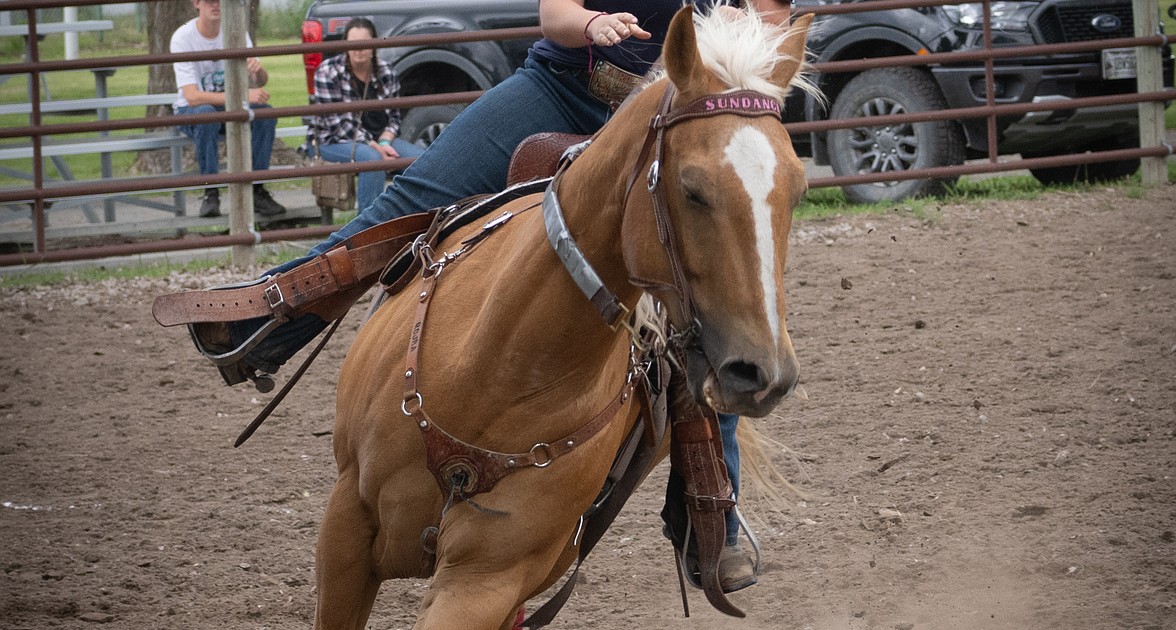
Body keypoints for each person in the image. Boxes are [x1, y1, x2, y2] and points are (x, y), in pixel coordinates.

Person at [193, 0, 792, 592]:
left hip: (675, 116)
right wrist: (592, 24)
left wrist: (747, 38)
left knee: (712, 304)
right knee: (409, 202)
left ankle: (712, 517)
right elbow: (555, 13)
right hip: (561, 87)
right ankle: (271, 322)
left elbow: (765, 15)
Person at [171, 0, 286, 218]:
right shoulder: (183, 37)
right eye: (209, 0)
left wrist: (258, 70)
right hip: (192, 111)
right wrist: (244, 96)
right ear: (196, 3)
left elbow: (260, 81)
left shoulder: (235, 31)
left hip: (228, 107)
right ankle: (210, 192)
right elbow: (192, 96)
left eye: (221, 0)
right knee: (206, 114)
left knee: (265, 114)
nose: (216, 5)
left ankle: (257, 190)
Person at [306, 18, 424, 213]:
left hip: (379, 140)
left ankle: (410, 222)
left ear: (374, 46)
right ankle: (367, 230)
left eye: (365, 44)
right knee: (372, 160)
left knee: (421, 160)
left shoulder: (387, 72)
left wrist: (385, 143)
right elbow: (339, 124)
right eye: (353, 44)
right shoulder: (327, 72)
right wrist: (376, 148)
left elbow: (395, 116)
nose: (359, 49)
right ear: (345, 45)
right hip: (332, 140)